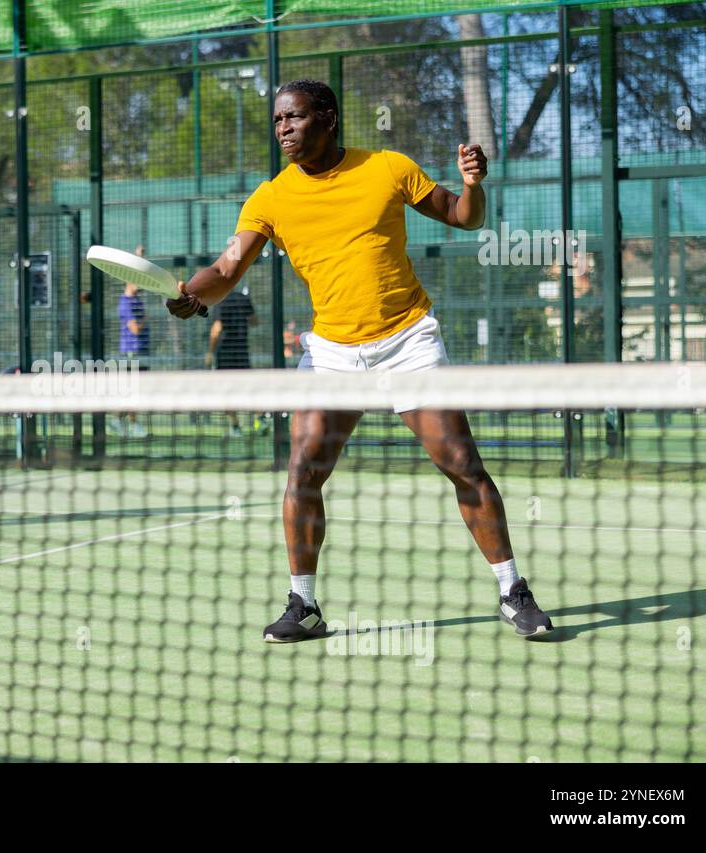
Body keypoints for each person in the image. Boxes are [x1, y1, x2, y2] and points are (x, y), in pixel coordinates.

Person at [166, 80, 553, 641]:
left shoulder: (387, 167)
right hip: (331, 354)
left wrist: (473, 185)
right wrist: (195, 293)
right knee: (303, 471)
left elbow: (464, 217)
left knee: (462, 465)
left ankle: (512, 592)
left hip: (408, 340)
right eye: (277, 121)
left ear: (328, 117)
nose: (283, 129)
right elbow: (226, 270)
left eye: (294, 117)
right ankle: (304, 605)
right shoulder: (270, 197)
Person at [205, 285, 262, 436]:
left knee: (226, 391)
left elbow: (217, 328)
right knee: (249, 388)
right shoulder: (243, 299)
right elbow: (255, 321)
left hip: (225, 353)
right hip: (241, 351)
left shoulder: (220, 300)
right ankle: (260, 419)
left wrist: (210, 352)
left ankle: (236, 427)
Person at [112, 245, 149, 438]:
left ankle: (118, 421)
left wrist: (138, 257)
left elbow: (135, 271)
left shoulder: (136, 299)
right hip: (131, 353)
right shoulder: (126, 303)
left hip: (140, 351)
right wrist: (146, 320)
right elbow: (134, 328)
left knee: (134, 390)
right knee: (132, 391)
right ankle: (130, 424)